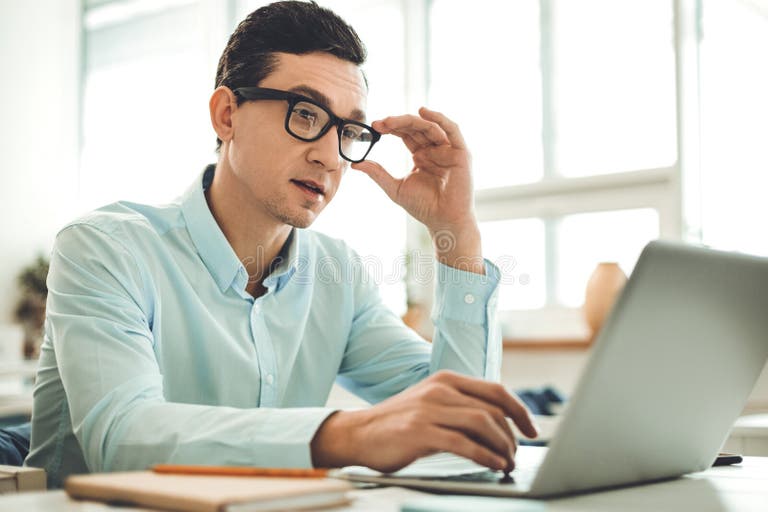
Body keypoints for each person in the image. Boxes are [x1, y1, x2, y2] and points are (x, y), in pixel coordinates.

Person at [25, 0, 537, 488]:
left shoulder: (337, 274)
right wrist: (350, 434)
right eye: (306, 114)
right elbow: (122, 438)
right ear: (227, 115)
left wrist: (457, 232)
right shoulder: (105, 249)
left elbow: (461, 424)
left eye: (348, 131)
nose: (330, 158)